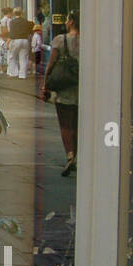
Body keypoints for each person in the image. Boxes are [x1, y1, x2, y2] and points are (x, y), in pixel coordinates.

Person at [41, 10, 80, 177]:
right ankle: (77, 155)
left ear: (71, 21)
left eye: (67, 19)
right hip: (83, 87)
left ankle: (70, 155)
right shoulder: (92, 40)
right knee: (78, 125)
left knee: (66, 125)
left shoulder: (60, 40)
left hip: (64, 87)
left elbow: (51, 65)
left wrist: (45, 86)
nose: (65, 22)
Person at [7, 7, 33, 78]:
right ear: (22, 13)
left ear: (14, 13)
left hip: (15, 40)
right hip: (25, 40)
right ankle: (22, 75)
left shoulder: (12, 22)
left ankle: (13, 73)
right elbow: (30, 32)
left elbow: (11, 34)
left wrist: (8, 43)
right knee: (23, 58)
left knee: (12, 57)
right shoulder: (26, 21)